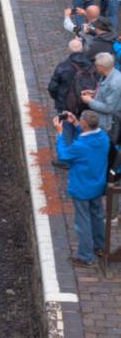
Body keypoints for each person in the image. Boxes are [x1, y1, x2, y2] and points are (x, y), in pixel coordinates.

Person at [53, 109, 109, 264]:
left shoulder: (81, 146)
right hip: (97, 186)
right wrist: (76, 124)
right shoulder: (103, 138)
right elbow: (87, 136)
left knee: (82, 222)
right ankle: (100, 247)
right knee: (97, 217)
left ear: (85, 124)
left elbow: (64, 155)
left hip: (81, 188)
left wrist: (60, 134)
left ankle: (85, 256)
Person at [48, 37, 96, 120]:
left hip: (66, 105)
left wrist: (59, 98)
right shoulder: (92, 66)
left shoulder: (62, 66)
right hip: (85, 104)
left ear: (68, 50)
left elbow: (52, 87)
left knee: (66, 128)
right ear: (82, 50)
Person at [80, 53, 121, 137]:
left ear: (101, 67)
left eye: (96, 65)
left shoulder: (114, 84)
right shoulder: (109, 74)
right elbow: (106, 93)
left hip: (108, 124)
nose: (95, 67)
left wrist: (90, 101)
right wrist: (94, 92)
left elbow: (108, 108)